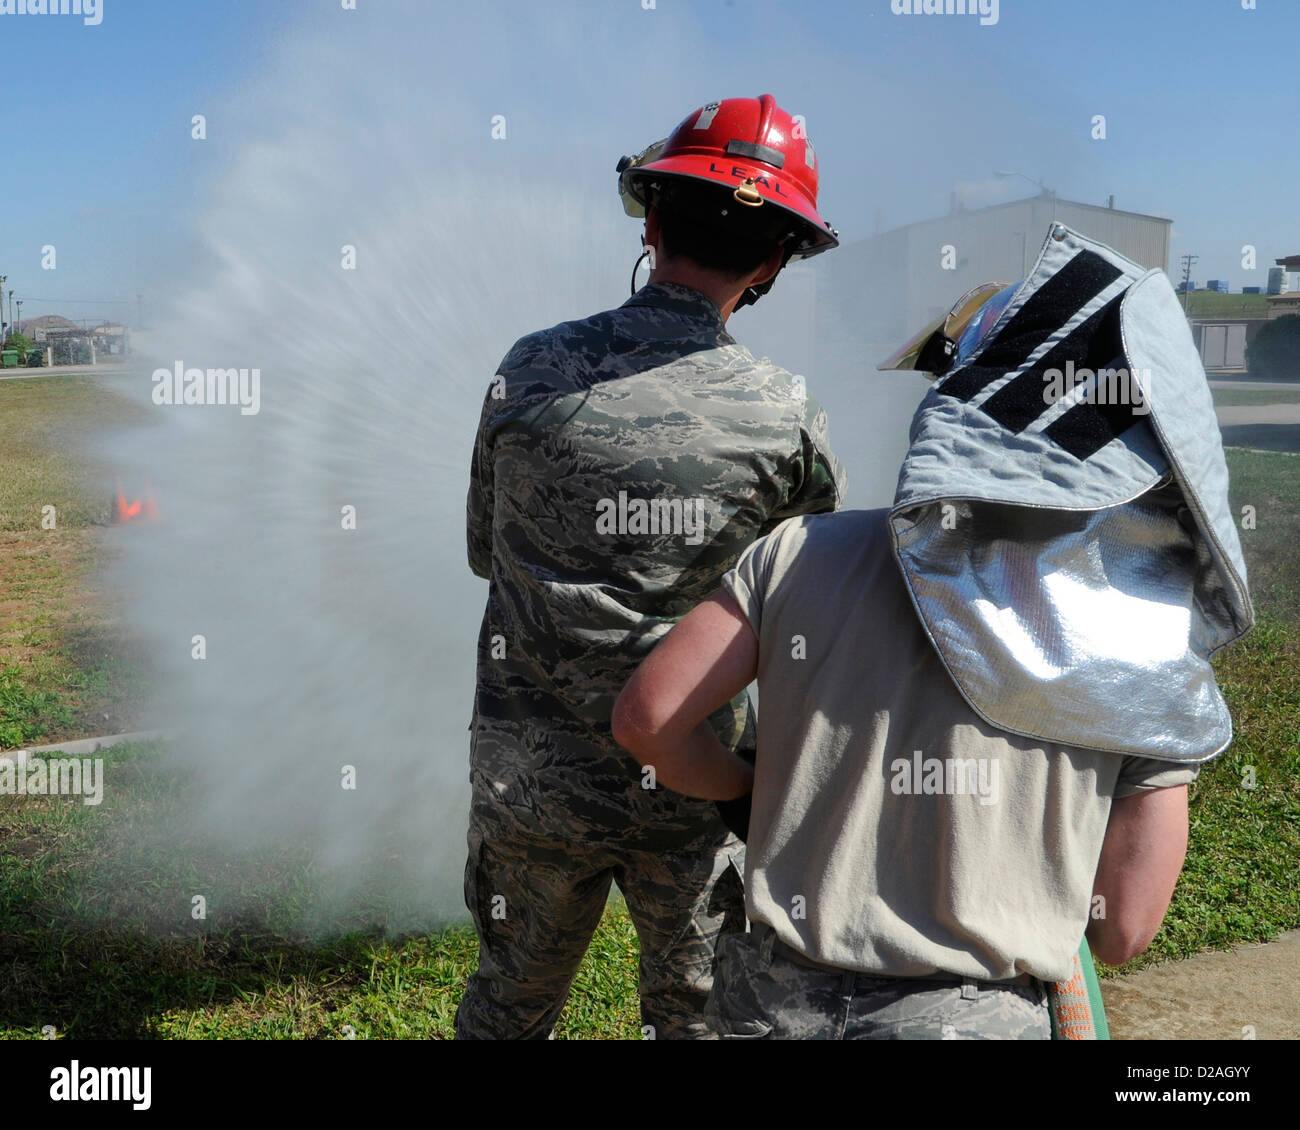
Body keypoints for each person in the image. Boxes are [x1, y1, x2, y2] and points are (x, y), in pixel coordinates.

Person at [612, 228, 1252, 1039]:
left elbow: (647, 716)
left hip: (770, 1006)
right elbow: (1122, 928)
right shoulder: (1147, 634)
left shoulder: (801, 552)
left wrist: (745, 789)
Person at [455, 94, 846, 1040]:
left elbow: (482, 551)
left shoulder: (530, 368)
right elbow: (799, 619)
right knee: (702, 1018)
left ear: (654, 217)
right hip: (700, 789)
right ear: (775, 262)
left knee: (510, 1006)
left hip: (531, 783)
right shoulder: (784, 411)